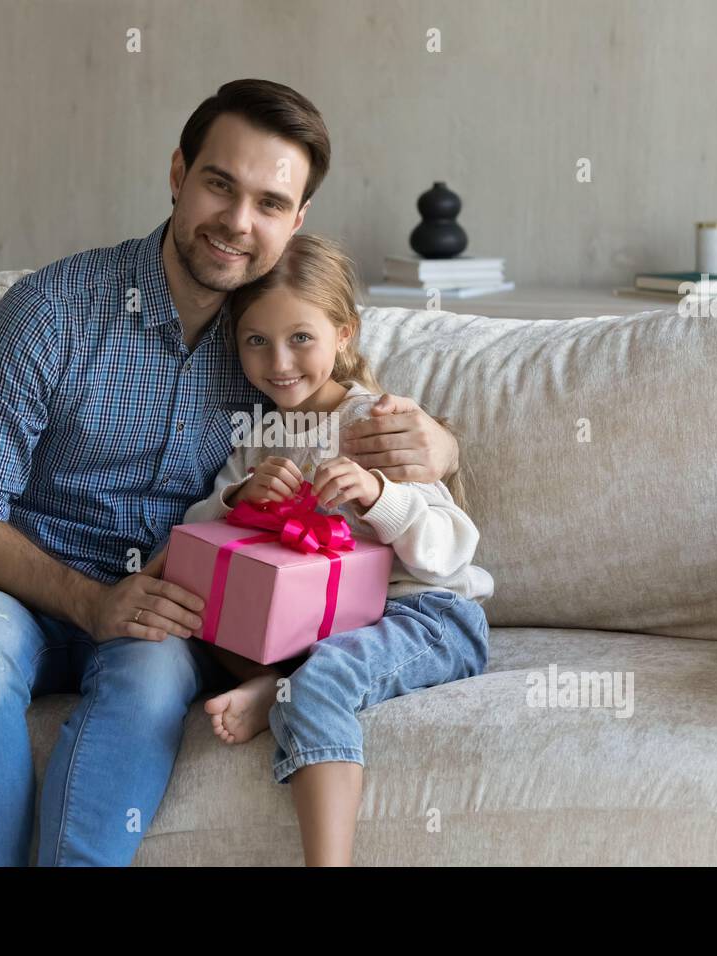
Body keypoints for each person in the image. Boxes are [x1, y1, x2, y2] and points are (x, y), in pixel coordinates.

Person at [0, 78, 463, 866]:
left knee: (147, 688)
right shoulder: (51, 310)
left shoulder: (272, 344)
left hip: (174, 607)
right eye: (219, 185)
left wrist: (442, 445)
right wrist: (91, 600)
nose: (239, 224)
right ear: (178, 175)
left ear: (296, 220)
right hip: (17, 589)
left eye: (271, 204)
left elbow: (359, 398)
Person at [182, 233, 493, 866]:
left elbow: (450, 550)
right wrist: (239, 499)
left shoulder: (375, 423)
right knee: (201, 627)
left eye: (301, 338)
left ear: (344, 334)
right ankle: (275, 684)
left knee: (320, 685)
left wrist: (381, 495)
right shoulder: (259, 435)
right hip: (324, 622)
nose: (280, 363)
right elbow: (200, 529)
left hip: (427, 616)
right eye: (256, 341)